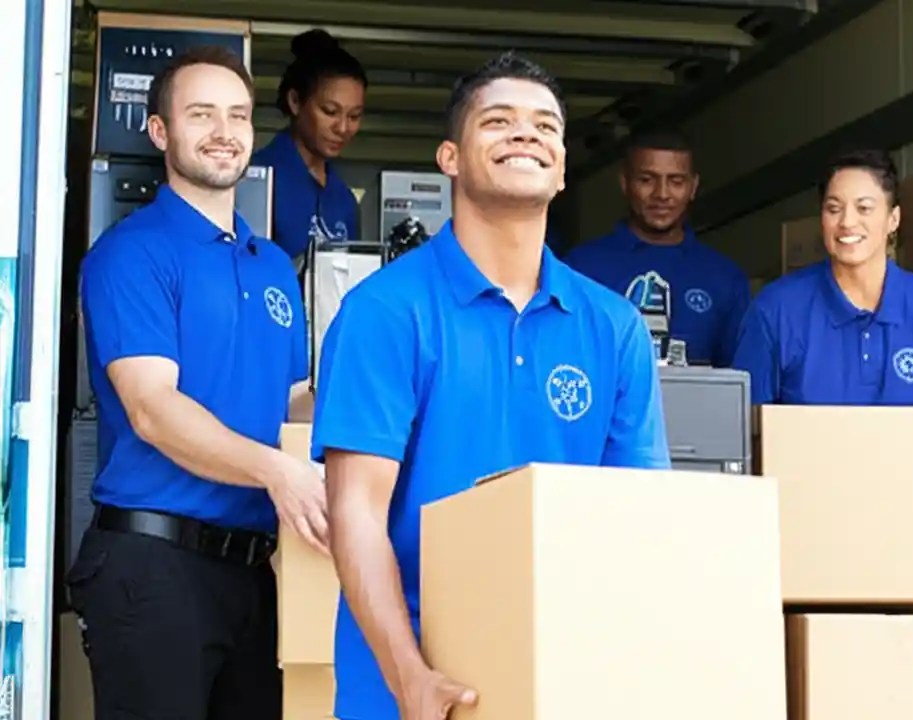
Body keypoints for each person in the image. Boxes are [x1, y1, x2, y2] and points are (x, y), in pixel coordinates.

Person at [311, 52, 671, 720]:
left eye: (545, 126)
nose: (525, 133)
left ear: (562, 169)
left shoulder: (614, 327)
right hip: (405, 689)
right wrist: (411, 679)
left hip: (563, 681)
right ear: (449, 157)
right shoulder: (385, 311)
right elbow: (356, 512)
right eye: (498, 121)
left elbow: (636, 518)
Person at [67, 47, 328, 719]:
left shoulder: (272, 266)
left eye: (237, 115)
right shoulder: (133, 253)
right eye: (201, 114)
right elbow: (153, 408)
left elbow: (292, 403)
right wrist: (278, 472)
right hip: (154, 566)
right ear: (160, 132)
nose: (224, 131)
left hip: (254, 571)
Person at [731, 149, 913, 476]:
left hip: (906, 494)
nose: (847, 222)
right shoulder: (775, 309)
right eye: (834, 209)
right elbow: (744, 429)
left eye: (864, 208)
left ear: (893, 219)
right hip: (804, 497)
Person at [563, 131, 751, 367]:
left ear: (693, 187)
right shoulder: (580, 268)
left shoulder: (725, 277)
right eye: (646, 180)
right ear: (625, 183)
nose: (662, 194)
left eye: (676, 182)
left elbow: (737, 377)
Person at [252, 28, 366, 264]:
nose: (342, 128)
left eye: (354, 116)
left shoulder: (344, 199)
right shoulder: (257, 182)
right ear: (295, 102)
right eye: (330, 111)